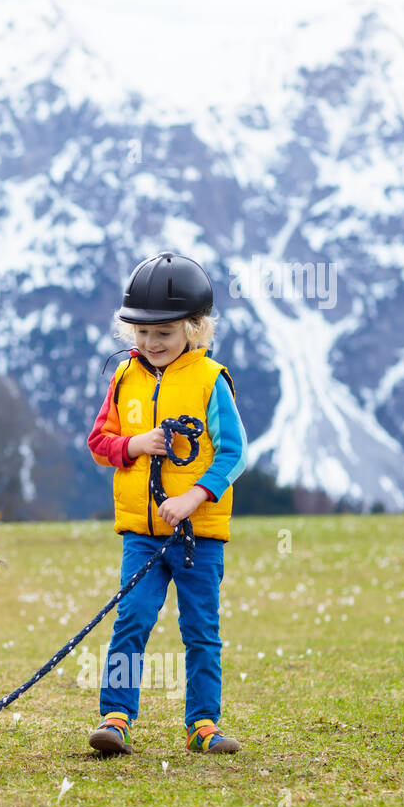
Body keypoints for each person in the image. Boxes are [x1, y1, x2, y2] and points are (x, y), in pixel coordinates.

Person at [85, 252, 249, 755]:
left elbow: (234, 453)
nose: (152, 343)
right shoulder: (124, 379)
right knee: (131, 620)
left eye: (165, 333)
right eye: (142, 332)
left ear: (194, 329)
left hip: (199, 537)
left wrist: (193, 498)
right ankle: (115, 717)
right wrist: (136, 445)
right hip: (142, 535)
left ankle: (203, 724)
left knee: (200, 631)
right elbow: (99, 444)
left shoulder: (210, 380)